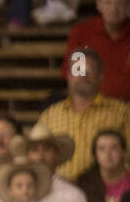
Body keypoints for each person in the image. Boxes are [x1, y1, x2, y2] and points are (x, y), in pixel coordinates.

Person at [36, 47, 130, 182]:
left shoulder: (122, 112)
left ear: (101, 76)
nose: (83, 74)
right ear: (68, 76)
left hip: (105, 192)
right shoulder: (50, 115)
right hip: (60, 191)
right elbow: (36, 154)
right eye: (77, 69)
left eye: (90, 69)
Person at [64, 0, 130, 101]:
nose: (114, 8)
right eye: (108, 3)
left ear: (128, 5)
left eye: (119, 3)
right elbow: (76, 77)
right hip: (93, 109)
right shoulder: (82, 34)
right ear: (99, 5)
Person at [75, 129, 130, 202]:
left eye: (114, 148)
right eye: (102, 149)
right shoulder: (84, 183)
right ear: (96, 155)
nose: (107, 154)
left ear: (123, 152)